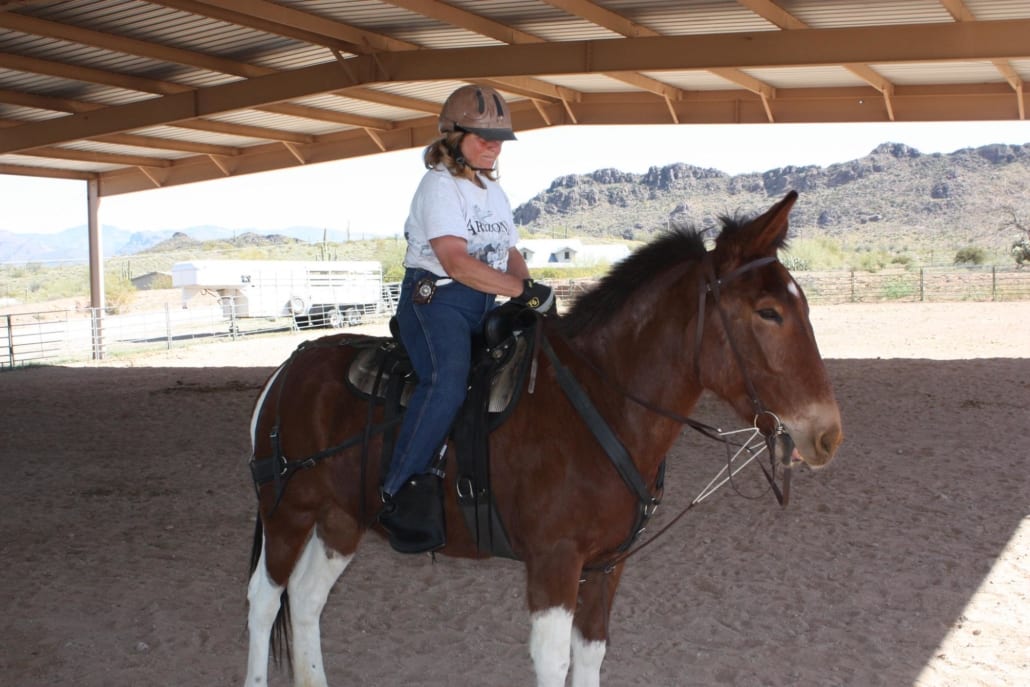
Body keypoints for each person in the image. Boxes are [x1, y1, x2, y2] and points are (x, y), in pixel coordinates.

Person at [377, 84, 554, 553]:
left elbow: (509, 253)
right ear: (453, 137)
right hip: (437, 302)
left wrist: (529, 294)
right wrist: (520, 291)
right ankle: (399, 489)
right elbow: (455, 262)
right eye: (483, 137)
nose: (494, 146)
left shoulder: (492, 190)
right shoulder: (439, 186)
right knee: (447, 383)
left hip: (486, 301)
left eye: (500, 139)